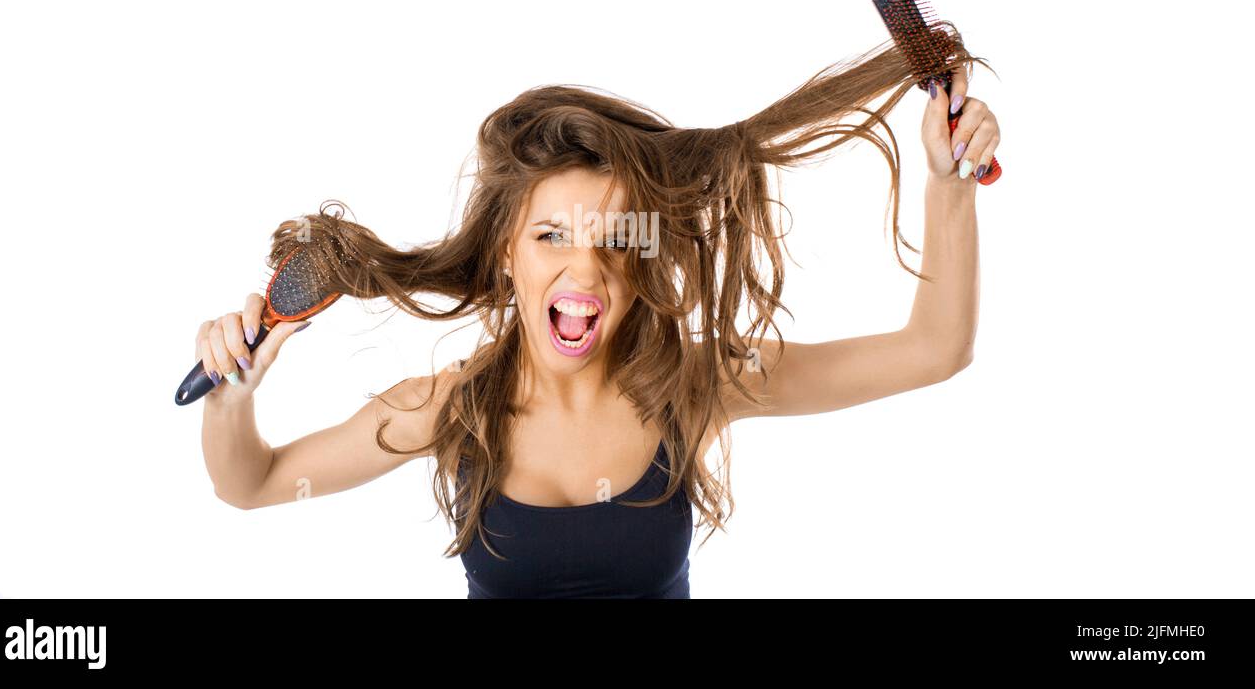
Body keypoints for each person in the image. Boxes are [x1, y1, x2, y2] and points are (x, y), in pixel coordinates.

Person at [194, 36, 1002, 598]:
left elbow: (933, 349)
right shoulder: (451, 409)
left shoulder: (697, 384)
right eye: (551, 235)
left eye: (615, 238)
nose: (585, 268)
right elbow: (253, 482)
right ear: (508, 253)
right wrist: (234, 393)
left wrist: (949, 180)